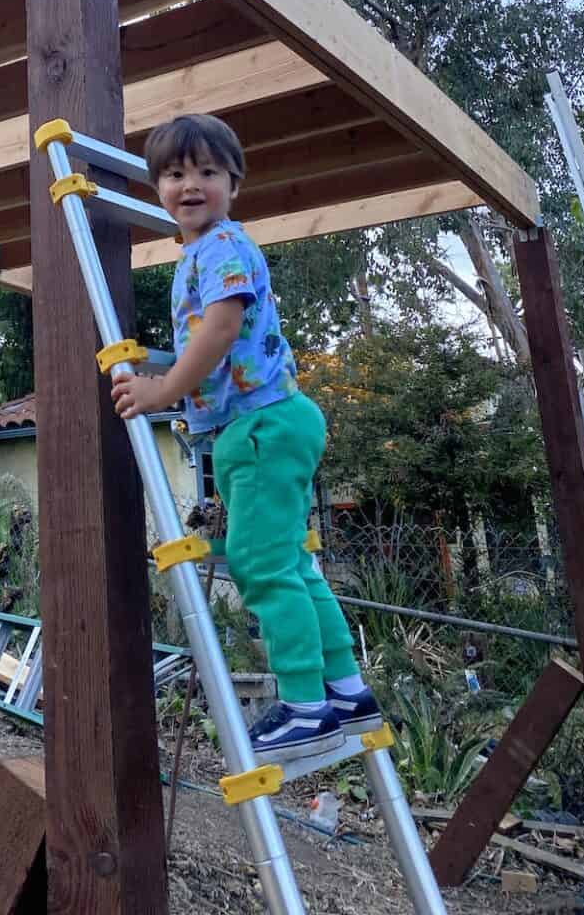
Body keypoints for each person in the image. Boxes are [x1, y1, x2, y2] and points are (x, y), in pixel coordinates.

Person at [110, 113, 380, 764]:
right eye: (175, 174)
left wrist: (162, 389)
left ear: (234, 181)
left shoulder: (221, 248)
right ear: (158, 188)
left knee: (261, 567)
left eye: (208, 171)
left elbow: (221, 330)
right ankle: (345, 693)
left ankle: (305, 708)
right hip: (266, 425)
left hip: (259, 425)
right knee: (291, 563)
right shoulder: (201, 252)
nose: (190, 184)